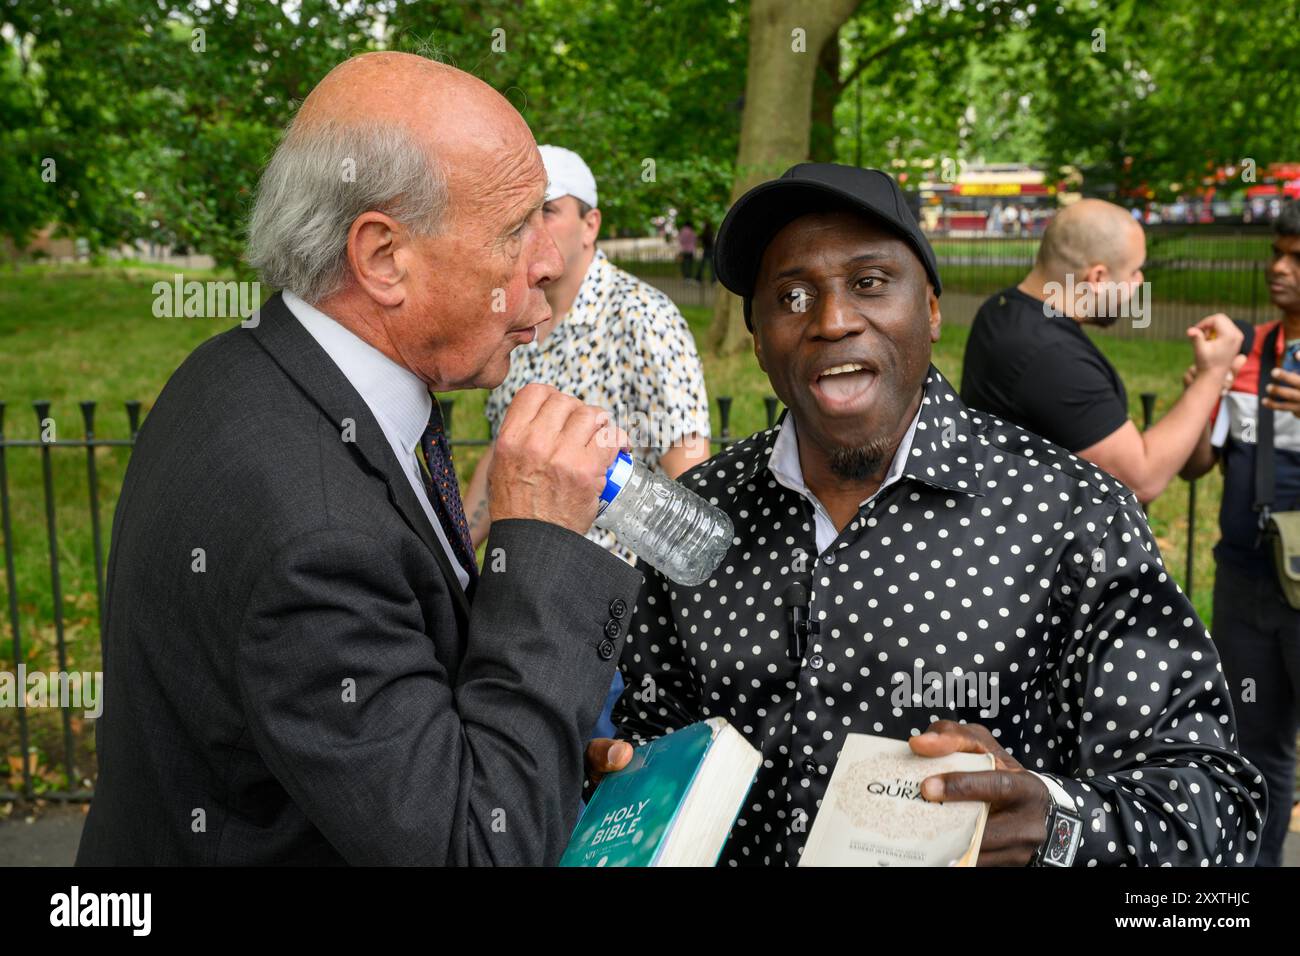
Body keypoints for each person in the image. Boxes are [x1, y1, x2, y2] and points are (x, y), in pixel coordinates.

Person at [587, 163, 1263, 867]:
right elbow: (651, 733)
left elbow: (1212, 803)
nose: (833, 320)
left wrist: (1053, 822)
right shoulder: (702, 515)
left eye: (870, 283)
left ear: (932, 310)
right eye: (791, 296)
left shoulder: (1072, 516)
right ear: (758, 337)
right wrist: (625, 780)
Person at [75, 52, 644, 866]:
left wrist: (537, 751)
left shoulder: (245, 365)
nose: (548, 263)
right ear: (382, 258)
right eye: (515, 229)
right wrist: (543, 544)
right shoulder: (314, 533)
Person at [465, 144, 710, 738]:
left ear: (591, 223)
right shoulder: (521, 321)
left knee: (601, 799)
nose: (536, 230)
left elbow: (689, 469)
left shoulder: (641, 315)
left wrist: (679, 629)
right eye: (521, 217)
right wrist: (455, 553)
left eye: (549, 210)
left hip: (616, 623)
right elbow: (503, 456)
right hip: (526, 606)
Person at [960, 199, 1244, 504]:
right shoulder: (1051, 357)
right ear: (1097, 278)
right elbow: (1141, 480)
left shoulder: (1001, 310)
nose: (1140, 283)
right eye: (1134, 272)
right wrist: (1212, 374)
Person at [1181, 200, 1300, 866]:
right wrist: (1202, 396)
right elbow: (1200, 465)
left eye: (1296, 258)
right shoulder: (1249, 347)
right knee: (1254, 745)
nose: (1278, 269)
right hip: (1245, 576)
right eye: (1276, 253)